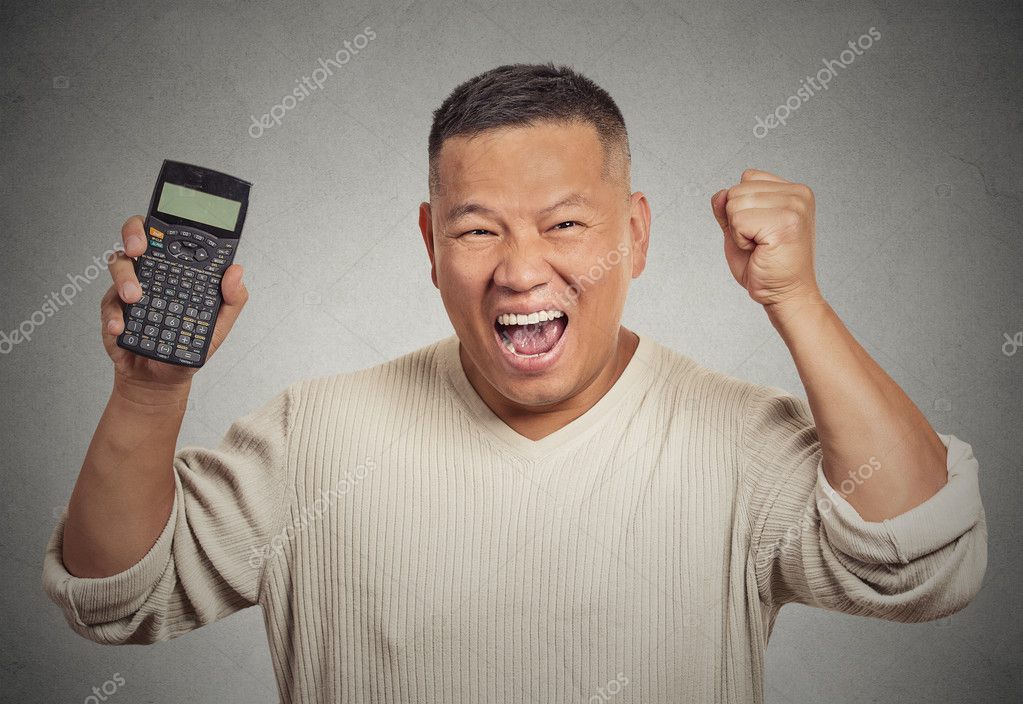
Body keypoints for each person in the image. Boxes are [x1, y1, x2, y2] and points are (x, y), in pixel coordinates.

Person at [42, 63, 987, 704]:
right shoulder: (310, 437)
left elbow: (923, 563)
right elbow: (117, 595)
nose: (521, 271)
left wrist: (797, 300)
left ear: (638, 235)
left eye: (567, 225)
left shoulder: (738, 442)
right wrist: (149, 390)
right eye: (478, 228)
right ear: (429, 244)